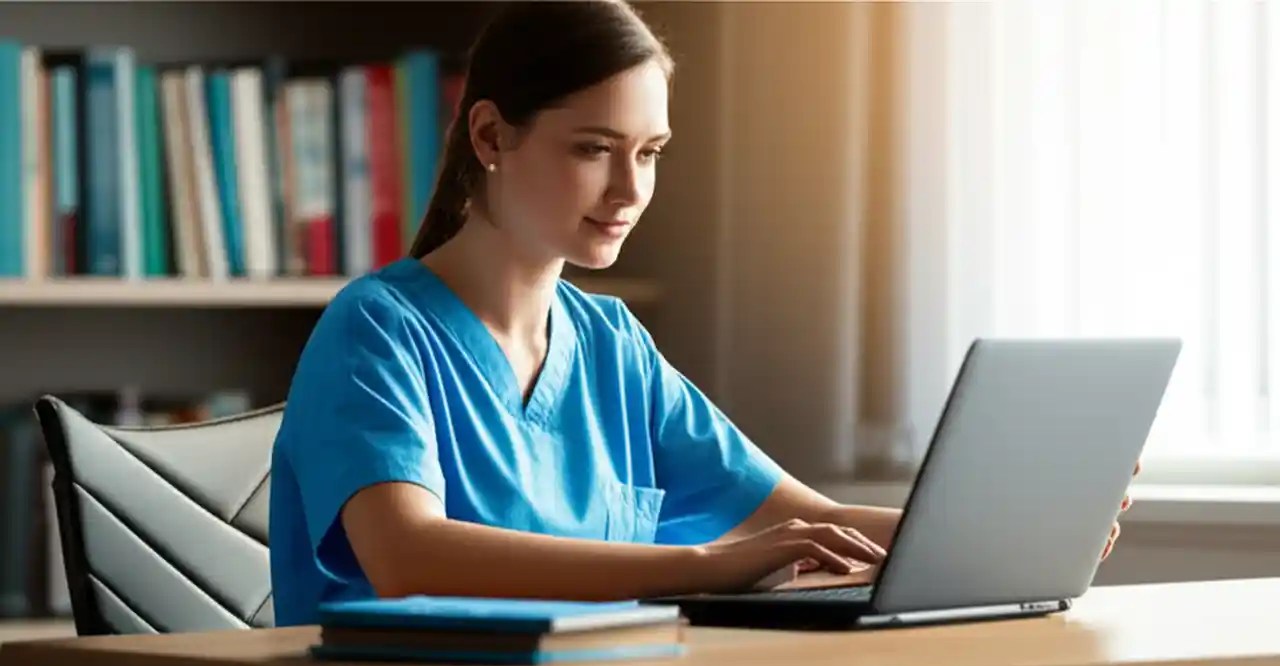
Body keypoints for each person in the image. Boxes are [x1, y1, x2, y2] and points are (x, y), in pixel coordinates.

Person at [268, 0, 1135, 627]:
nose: (631, 190)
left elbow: (797, 521)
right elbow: (411, 556)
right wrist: (704, 569)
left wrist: (1016, 530)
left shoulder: (610, 345)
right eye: (593, 150)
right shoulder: (375, 330)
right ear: (491, 137)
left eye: (649, 153)